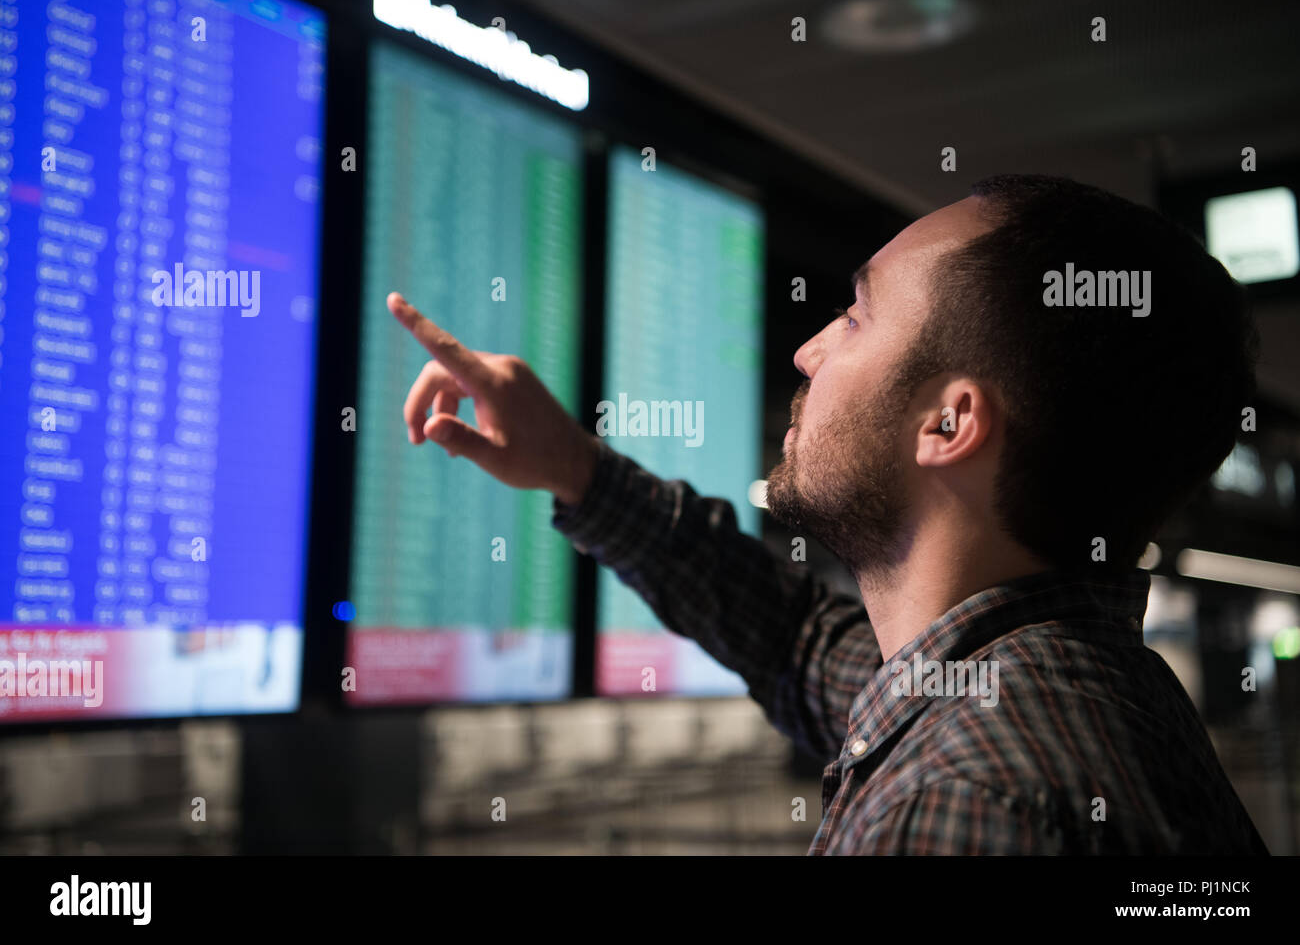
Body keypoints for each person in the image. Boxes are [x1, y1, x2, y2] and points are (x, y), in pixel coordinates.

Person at [386, 173, 1267, 854]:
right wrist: (574, 467)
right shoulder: (1056, 683)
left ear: (949, 423)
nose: (808, 351)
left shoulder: (965, 800)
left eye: (854, 314)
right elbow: (790, 637)